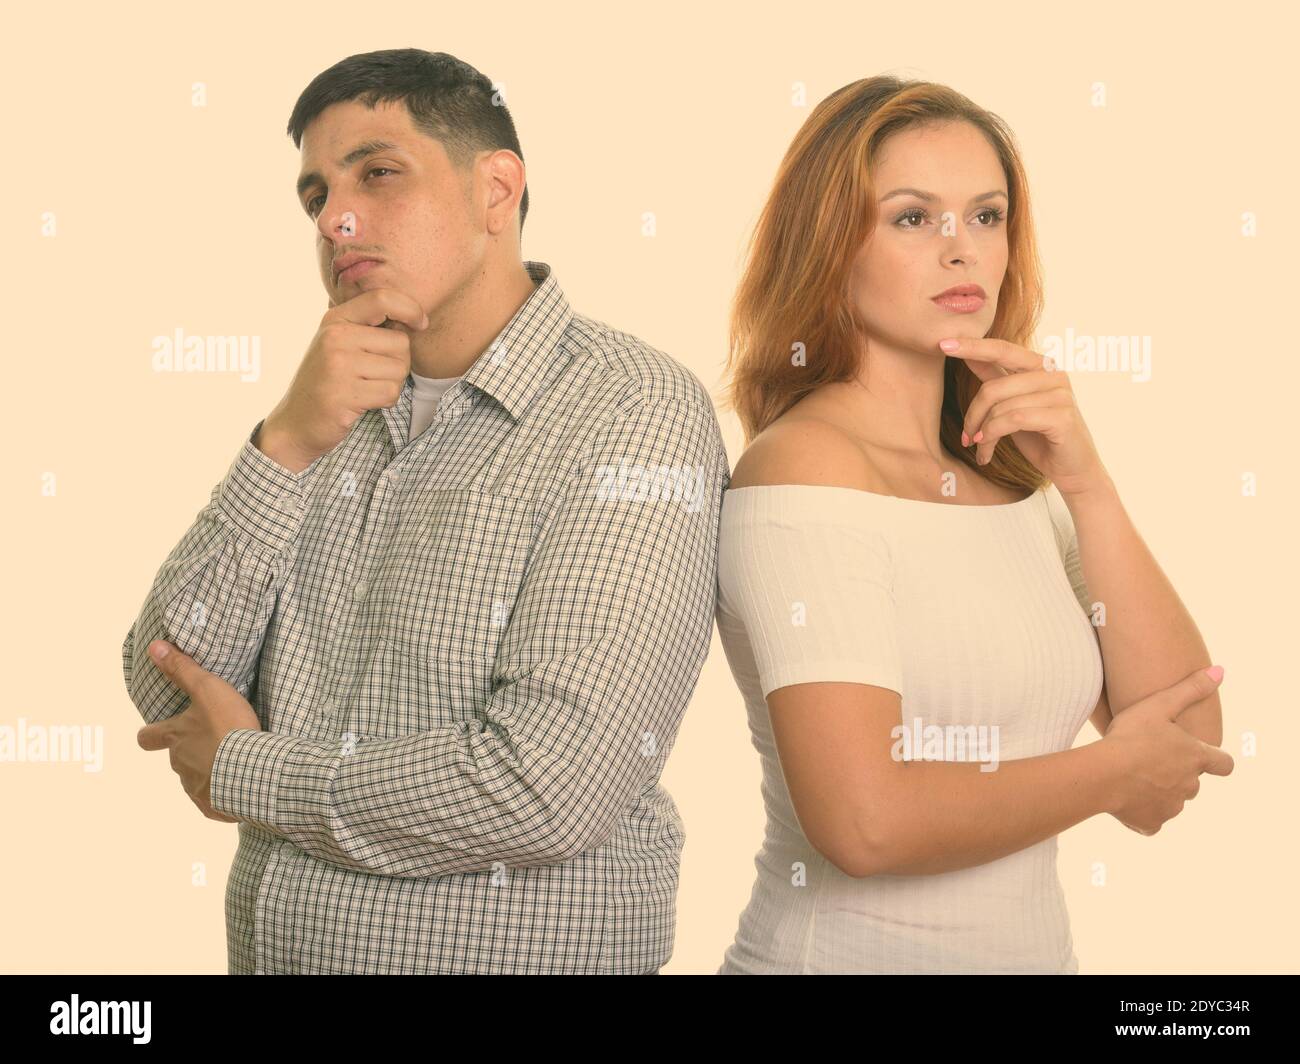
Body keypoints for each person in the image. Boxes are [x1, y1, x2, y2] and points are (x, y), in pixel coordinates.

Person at [123, 48, 728, 975]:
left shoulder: (633, 410)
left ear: (497, 190)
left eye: (378, 173)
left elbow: (545, 785)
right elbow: (170, 692)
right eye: (315, 195)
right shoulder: (322, 409)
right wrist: (283, 445)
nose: (337, 218)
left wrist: (252, 772)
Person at [713, 75, 1233, 974]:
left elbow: (1187, 745)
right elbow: (864, 826)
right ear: (831, 245)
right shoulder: (806, 471)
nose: (964, 252)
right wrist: (1110, 773)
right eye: (914, 218)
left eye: (986, 216)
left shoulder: (1015, 477)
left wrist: (1090, 486)